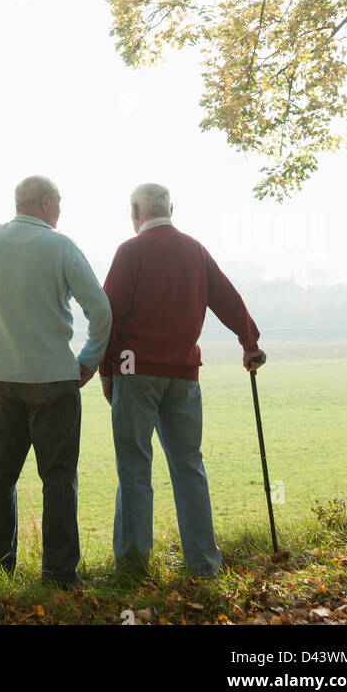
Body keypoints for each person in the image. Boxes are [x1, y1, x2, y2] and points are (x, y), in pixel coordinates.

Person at [98, 182, 264, 578]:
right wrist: (249, 342)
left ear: (135, 212)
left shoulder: (130, 251)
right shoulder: (195, 250)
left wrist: (108, 371)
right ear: (171, 208)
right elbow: (227, 298)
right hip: (184, 377)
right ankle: (204, 566)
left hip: (135, 373)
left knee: (135, 469)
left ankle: (134, 568)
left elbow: (109, 316)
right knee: (189, 467)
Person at [0, 175, 112, 588]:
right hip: (54, 380)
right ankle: (59, 574)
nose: (61, 209)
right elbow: (101, 312)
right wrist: (88, 361)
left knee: (0, 478)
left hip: (0, 378)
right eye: (58, 201)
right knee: (58, 479)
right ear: (44, 201)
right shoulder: (62, 247)